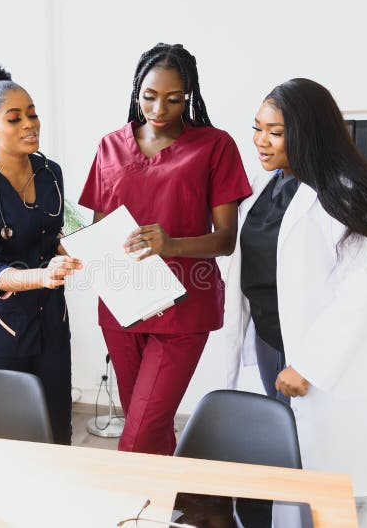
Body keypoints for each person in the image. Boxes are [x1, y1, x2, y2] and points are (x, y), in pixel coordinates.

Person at [218, 77, 367, 495]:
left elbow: (363, 291)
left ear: (307, 134)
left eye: (276, 132)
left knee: (319, 477)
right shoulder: (271, 184)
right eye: (257, 127)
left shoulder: (346, 193)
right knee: (284, 462)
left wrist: (310, 365)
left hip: (312, 356)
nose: (260, 141)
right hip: (270, 341)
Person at [78, 43, 252, 455]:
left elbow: (226, 239)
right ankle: (159, 508)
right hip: (123, 305)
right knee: (150, 425)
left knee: (136, 436)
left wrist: (170, 243)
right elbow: (100, 229)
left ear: (189, 96)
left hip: (184, 307)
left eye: (174, 100)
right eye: (150, 96)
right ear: (137, 90)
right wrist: (80, 250)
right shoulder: (110, 146)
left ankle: (132, 511)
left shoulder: (216, 146)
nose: (159, 108)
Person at [0, 64, 82, 445]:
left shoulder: (50, 173)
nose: (31, 124)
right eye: (15, 118)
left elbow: (49, 235)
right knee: (8, 437)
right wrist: (42, 276)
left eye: (32, 113)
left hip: (50, 323)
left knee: (58, 427)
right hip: (1, 328)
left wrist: (68, 251)